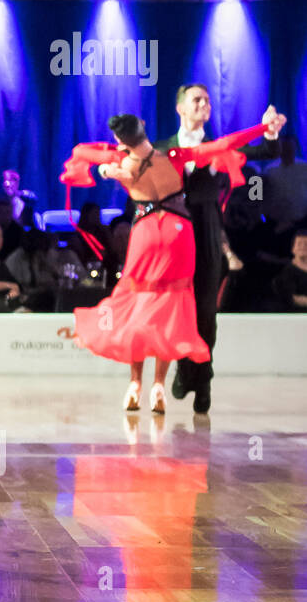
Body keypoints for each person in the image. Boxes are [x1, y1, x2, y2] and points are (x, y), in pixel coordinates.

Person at [61, 111, 279, 414]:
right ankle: (159, 386)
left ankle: (135, 384)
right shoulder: (175, 156)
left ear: (120, 138)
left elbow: (81, 151)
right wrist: (262, 127)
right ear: (144, 127)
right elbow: (226, 144)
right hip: (178, 235)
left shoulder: (120, 161)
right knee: (170, 307)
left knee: (137, 306)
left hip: (145, 235)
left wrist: (109, 165)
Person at [158, 84, 284, 412]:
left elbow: (264, 152)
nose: (204, 104)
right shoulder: (161, 148)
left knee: (205, 311)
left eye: (208, 101)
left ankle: (203, 382)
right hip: (173, 237)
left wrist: (269, 132)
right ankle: (186, 369)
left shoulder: (219, 147)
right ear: (180, 108)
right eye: (197, 99)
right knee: (178, 308)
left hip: (208, 233)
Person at [271, 230, 307, 311]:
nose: (303, 247)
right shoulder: (288, 271)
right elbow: (292, 299)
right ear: (293, 249)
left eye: (306, 244)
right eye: (299, 244)